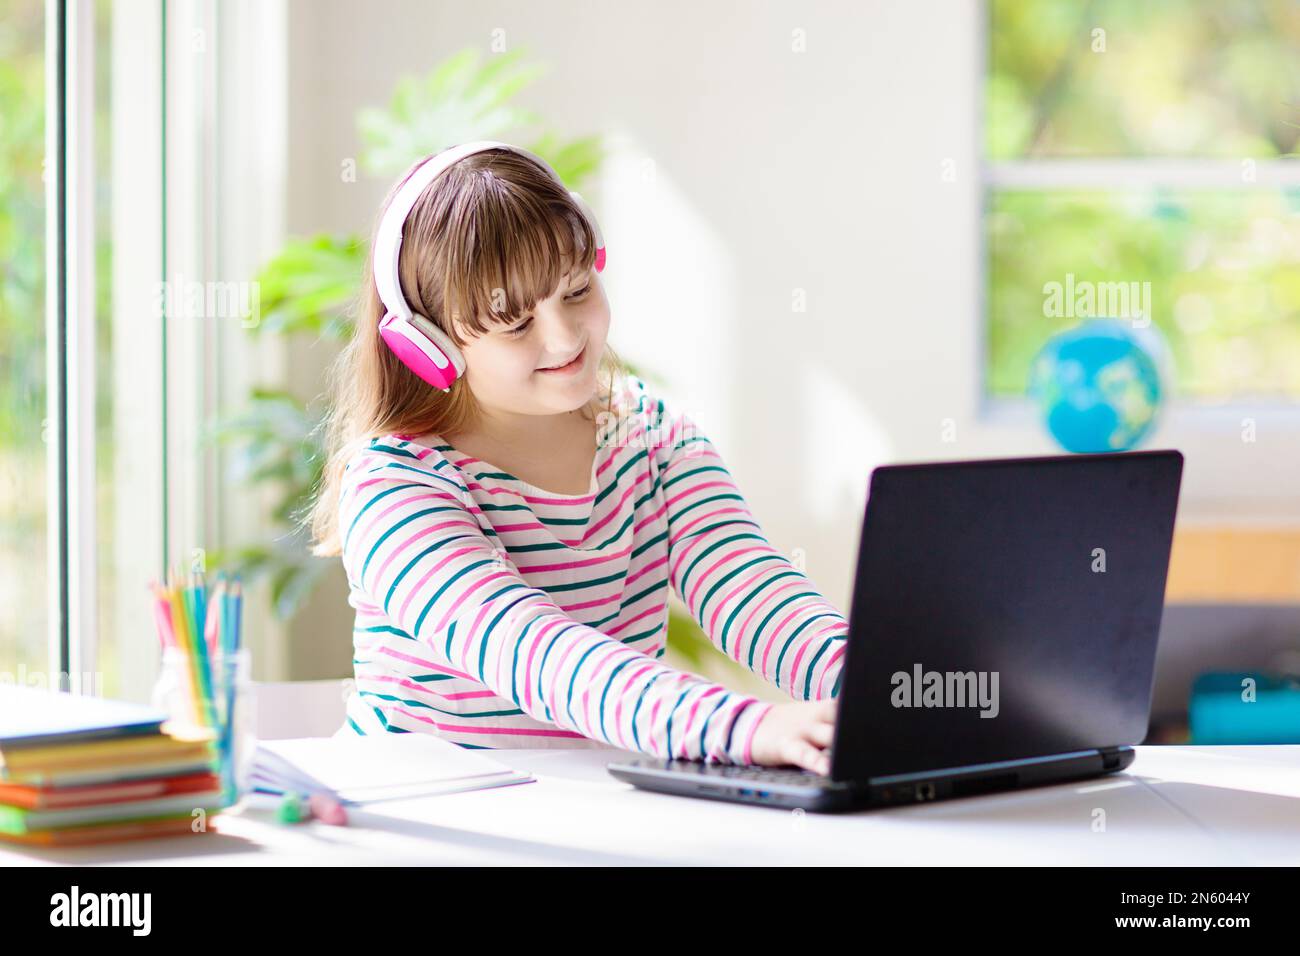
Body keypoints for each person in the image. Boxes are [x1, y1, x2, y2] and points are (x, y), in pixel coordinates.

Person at [306, 143, 845, 773]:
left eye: (578, 290)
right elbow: (535, 654)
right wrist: (744, 726)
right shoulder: (394, 487)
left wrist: (888, 690)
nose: (564, 337)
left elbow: (752, 590)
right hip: (426, 818)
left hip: (598, 809)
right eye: (514, 324)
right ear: (429, 345)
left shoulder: (654, 438)